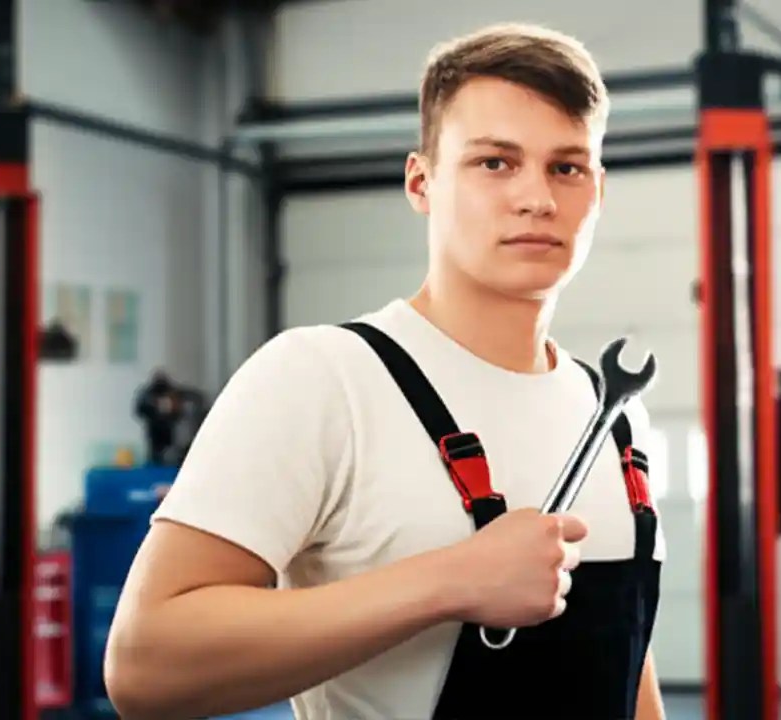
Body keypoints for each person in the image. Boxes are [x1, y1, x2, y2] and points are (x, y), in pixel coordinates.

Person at [104, 22, 667, 720]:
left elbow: (625, 661)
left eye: (567, 167)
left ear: (598, 192)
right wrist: (450, 582)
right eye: (495, 162)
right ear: (421, 182)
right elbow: (145, 667)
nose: (537, 199)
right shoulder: (323, 380)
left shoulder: (611, 409)